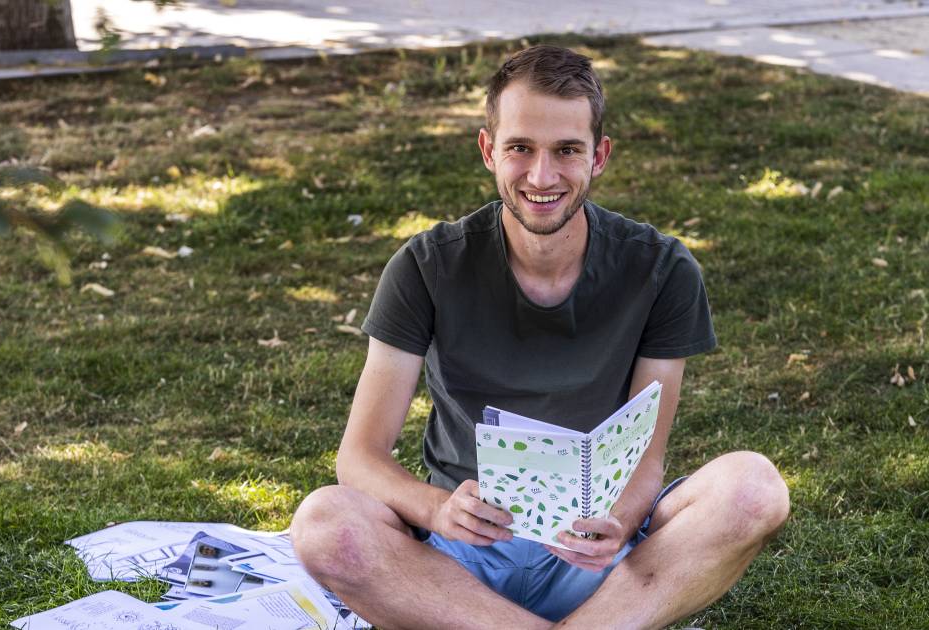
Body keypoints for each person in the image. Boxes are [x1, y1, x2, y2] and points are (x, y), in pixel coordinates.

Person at [290, 44, 790, 630]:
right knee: (324, 521)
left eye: (567, 151)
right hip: (457, 561)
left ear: (599, 156)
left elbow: (646, 459)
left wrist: (620, 526)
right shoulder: (425, 266)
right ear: (488, 150)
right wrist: (439, 509)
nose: (542, 175)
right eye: (520, 148)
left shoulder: (663, 269)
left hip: (596, 558)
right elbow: (360, 456)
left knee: (755, 488)